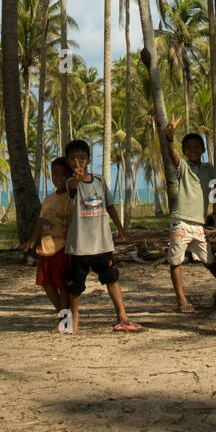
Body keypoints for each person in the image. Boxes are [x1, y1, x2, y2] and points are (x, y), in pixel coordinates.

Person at [64, 138, 143, 334]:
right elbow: (73, 186)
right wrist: (78, 178)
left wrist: (120, 229)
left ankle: (122, 316)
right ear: (68, 162)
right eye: (73, 158)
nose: (78, 162)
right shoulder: (70, 183)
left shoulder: (99, 180)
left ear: (89, 160)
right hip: (80, 246)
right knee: (75, 285)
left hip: (102, 244)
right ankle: (74, 319)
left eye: (82, 158)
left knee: (111, 278)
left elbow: (109, 206)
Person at [165, 115, 216, 313]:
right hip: (181, 221)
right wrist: (170, 138)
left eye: (197, 147)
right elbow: (173, 155)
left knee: (209, 260)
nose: (194, 150)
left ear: (203, 150)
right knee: (176, 260)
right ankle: (181, 300)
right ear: (185, 151)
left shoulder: (209, 169)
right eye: (189, 148)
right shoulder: (184, 168)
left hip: (199, 223)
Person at [22, 157, 72, 323]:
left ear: (69, 175)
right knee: (45, 282)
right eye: (54, 174)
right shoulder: (48, 199)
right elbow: (41, 221)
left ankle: (64, 320)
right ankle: (63, 315)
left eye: (62, 175)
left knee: (62, 285)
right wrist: (32, 240)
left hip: (62, 248)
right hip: (45, 247)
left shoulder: (71, 199)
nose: (58, 178)